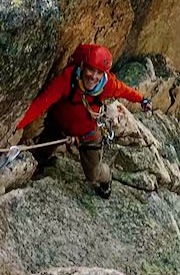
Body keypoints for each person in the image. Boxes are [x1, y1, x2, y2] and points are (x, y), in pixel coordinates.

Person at [16, 43, 151, 199]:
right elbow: (42, 103)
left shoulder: (108, 84)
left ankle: (107, 177)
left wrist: (142, 100)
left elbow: (126, 91)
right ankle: (37, 167)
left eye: (99, 72)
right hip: (58, 125)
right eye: (91, 69)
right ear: (82, 66)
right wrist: (18, 125)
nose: (93, 76)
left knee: (93, 174)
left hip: (87, 133)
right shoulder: (67, 78)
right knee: (40, 154)